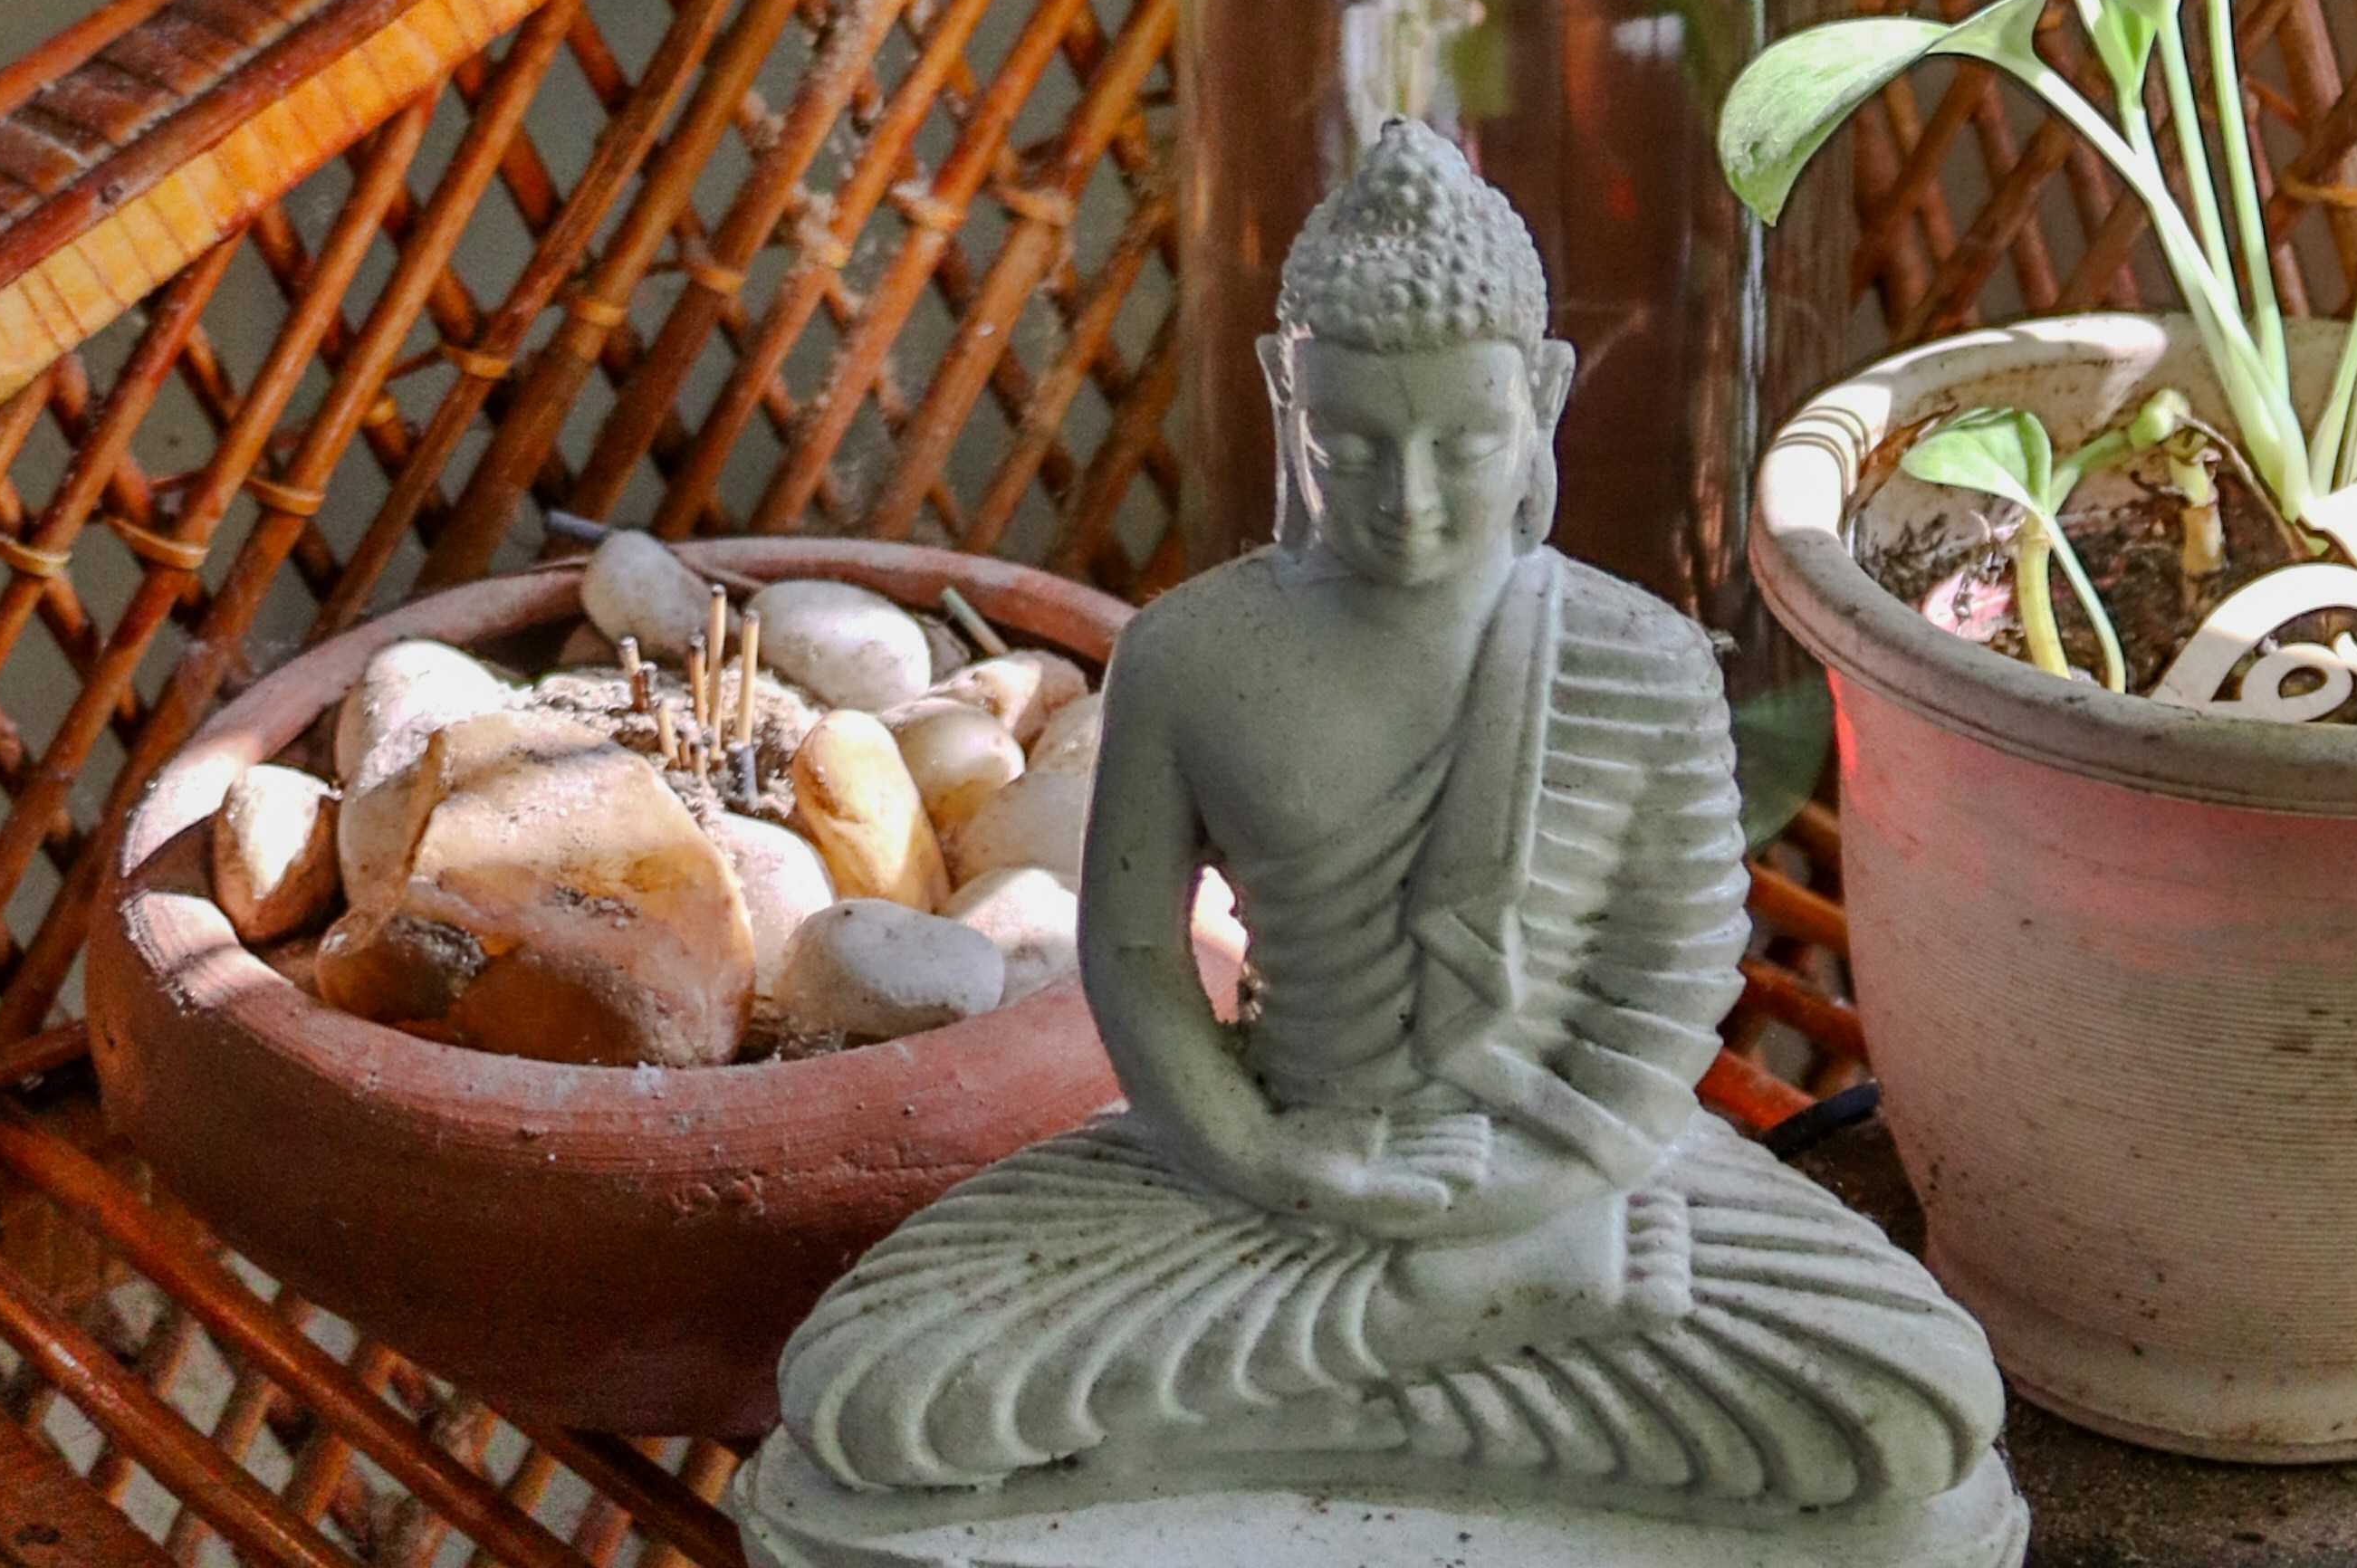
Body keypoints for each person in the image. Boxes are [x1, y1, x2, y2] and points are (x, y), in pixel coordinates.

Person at [742, 119, 2016, 1553]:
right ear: (1292, 395)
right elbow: (1137, 964)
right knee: (879, 1392)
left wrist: (1539, 1188)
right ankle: (1464, 1352)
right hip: (1263, 1172)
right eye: (1358, 445)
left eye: (1462, 443)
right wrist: (1282, 1167)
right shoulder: (1192, 655)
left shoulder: (1636, 659)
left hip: (1585, 1180)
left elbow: (1670, 981)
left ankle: (1374, 1361)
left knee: (1911, 1405)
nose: (1411, 500)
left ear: (1539, 396)